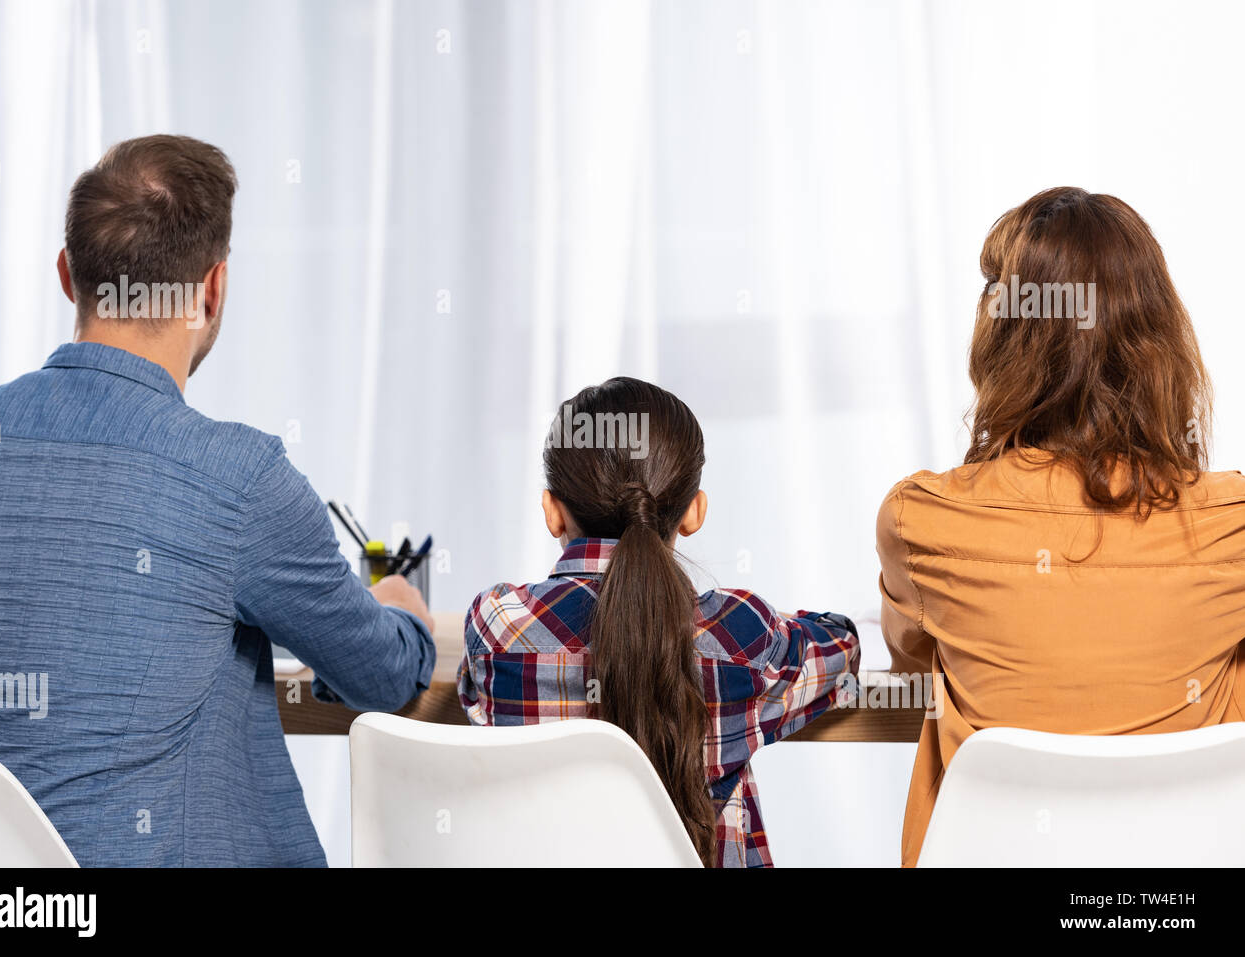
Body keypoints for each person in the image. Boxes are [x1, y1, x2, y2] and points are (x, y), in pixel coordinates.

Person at [0, 134, 435, 866]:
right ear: (213, 289)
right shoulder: (238, 474)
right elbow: (382, 675)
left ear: (66, 273)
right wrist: (402, 605)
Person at [877, 186, 1245, 867]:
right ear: (1160, 334)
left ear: (1003, 335)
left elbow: (910, 659)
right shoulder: (1233, 525)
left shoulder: (922, 518)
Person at [458, 377, 859, 866]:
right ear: (694, 512)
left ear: (552, 513)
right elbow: (842, 648)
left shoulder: (496, 628)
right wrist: (775, 625)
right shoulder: (743, 637)